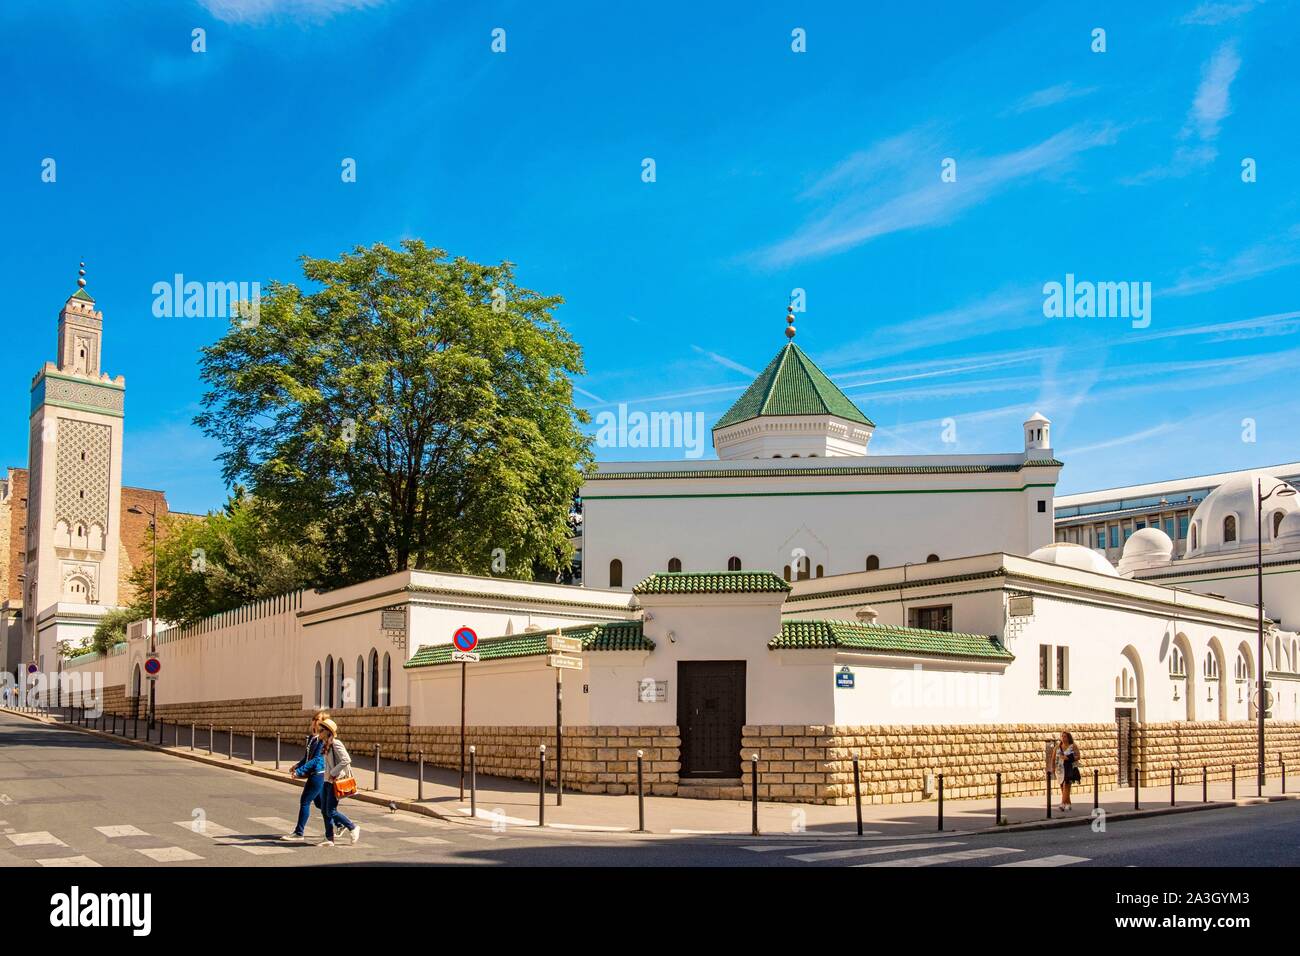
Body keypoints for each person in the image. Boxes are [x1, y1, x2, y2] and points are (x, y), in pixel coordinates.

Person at [283, 710, 329, 841]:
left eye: (318, 720)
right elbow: (307, 757)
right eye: (314, 719)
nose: (315, 722)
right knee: (321, 805)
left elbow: (315, 760)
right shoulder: (311, 738)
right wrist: (297, 766)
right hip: (313, 773)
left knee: (305, 801)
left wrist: (300, 771)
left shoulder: (322, 739)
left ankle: (299, 832)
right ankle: (343, 824)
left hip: (318, 774)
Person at [317, 718, 360, 847]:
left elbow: (346, 759)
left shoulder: (336, 743)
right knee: (324, 810)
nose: (319, 732)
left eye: (321, 730)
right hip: (326, 781)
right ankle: (329, 838)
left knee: (331, 811)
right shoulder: (326, 744)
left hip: (334, 781)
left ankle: (352, 827)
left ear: (328, 732)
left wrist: (333, 773)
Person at [1050, 731, 1082, 811]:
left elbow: (1078, 756)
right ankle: (1068, 803)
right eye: (1062, 736)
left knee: (1066, 785)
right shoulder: (1057, 747)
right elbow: (1053, 759)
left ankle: (1062, 804)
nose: (1063, 738)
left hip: (1069, 768)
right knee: (1062, 787)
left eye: (1065, 736)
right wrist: (1053, 768)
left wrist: (1068, 758)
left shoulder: (1073, 746)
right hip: (1059, 769)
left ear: (1068, 738)